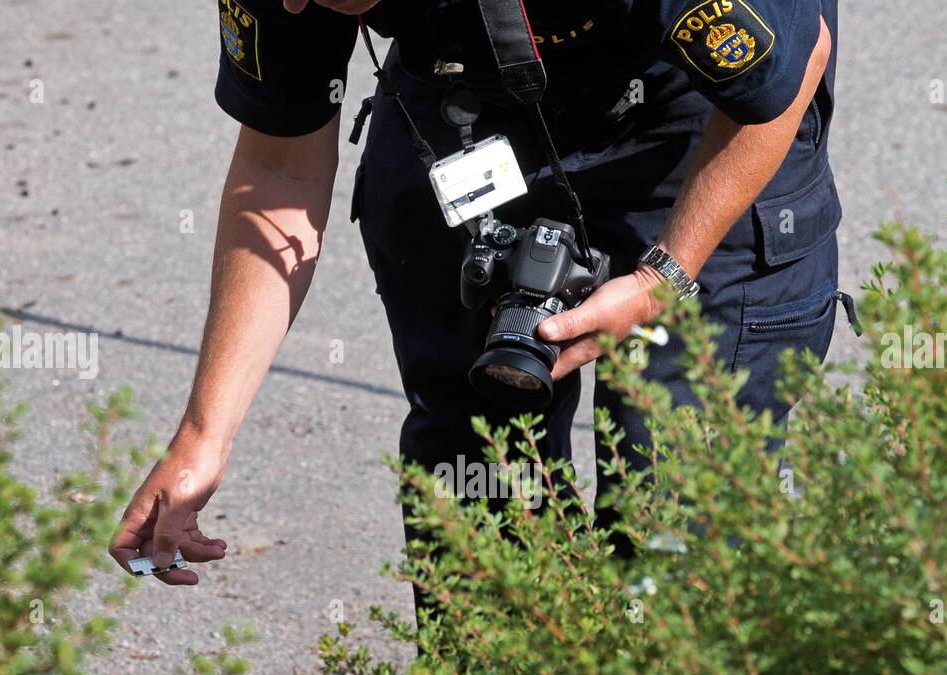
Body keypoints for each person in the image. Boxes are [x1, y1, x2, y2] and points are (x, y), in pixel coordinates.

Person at [110, 0, 851, 588]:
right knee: (482, 516)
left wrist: (666, 277)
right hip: (468, 105)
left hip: (699, 117)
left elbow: (788, 72)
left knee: (682, 524)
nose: (296, 7)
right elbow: (278, 166)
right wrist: (204, 435)